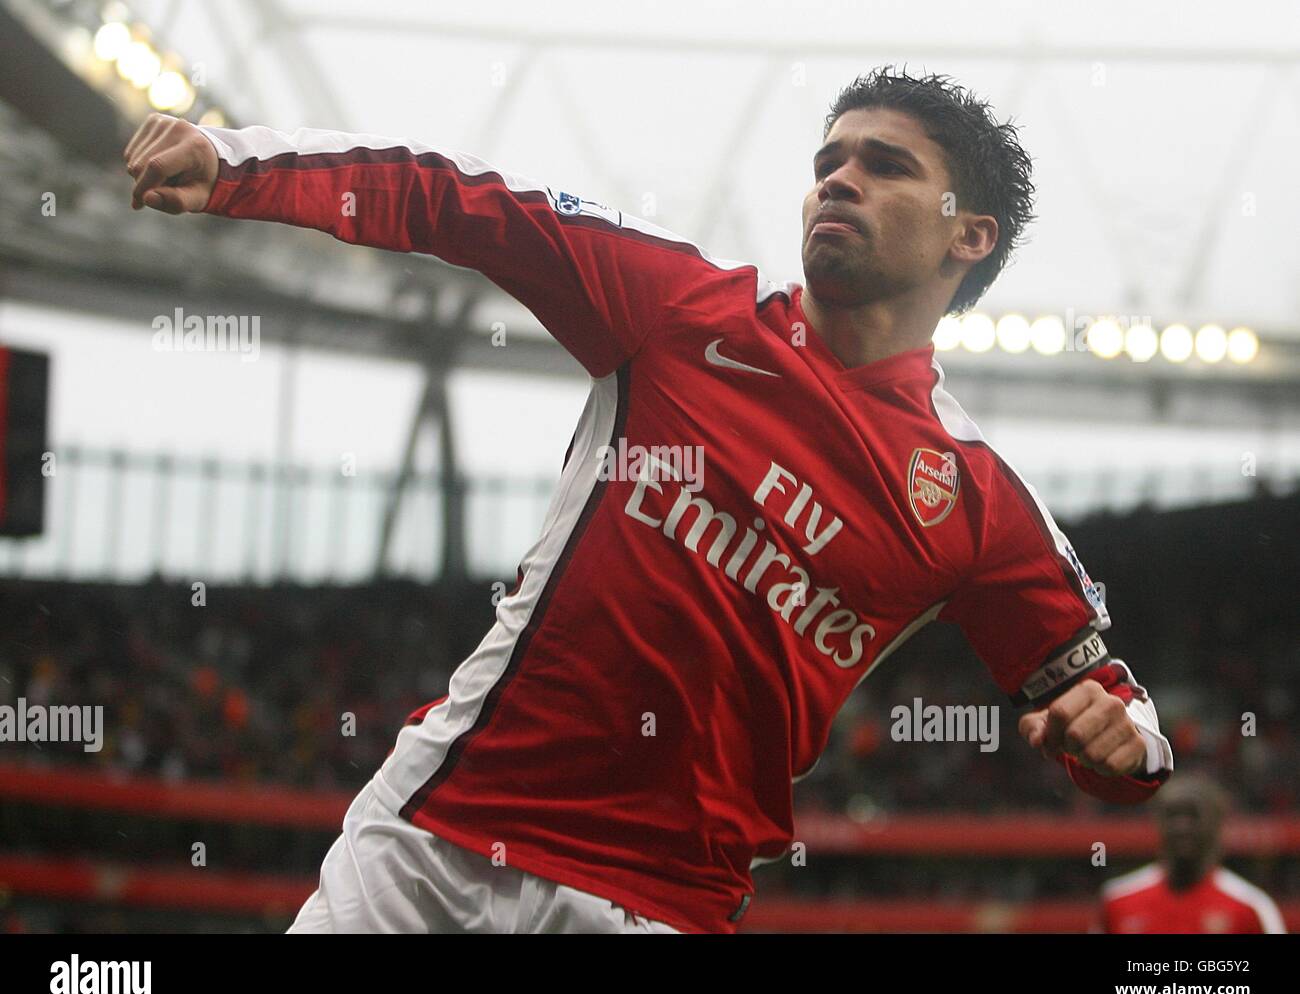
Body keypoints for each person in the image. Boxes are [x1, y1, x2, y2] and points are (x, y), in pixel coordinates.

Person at [123, 67, 1173, 934]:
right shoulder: (678, 307)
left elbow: (1111, 709)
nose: (837, 182)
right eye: (827, 163)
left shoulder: (978, 503)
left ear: (968, 236)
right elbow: (466, 203)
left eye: (884, 166)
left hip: (660, 905)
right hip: (434, 842)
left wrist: (1123, 738)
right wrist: (240, 164)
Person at [1099, 772, 1285, 933]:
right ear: (1158, 822)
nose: (1182, 827)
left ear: (1215, 823)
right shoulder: (1117, 902)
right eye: (1173, 815)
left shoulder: (1250, 908)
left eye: (1192, 815)